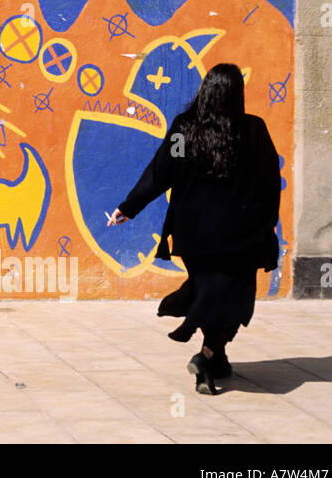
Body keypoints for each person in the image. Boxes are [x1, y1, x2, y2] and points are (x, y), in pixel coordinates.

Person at [108, 63, 282, 395]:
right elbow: (269, 183)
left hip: (194, 237)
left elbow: (160, 174)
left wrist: (129, 207)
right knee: (233, 301)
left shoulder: (183, 129)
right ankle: (206, 357)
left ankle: (217, 360)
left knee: (215, 296)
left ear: (206, 90)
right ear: (236, 94)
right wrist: (267, 225)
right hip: (240, 237)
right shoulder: (253, 130)